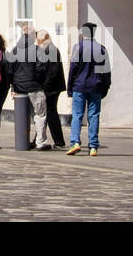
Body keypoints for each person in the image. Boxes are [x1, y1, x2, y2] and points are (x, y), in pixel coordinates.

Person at [66, 22, 111, 156]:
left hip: (79, 85)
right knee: (94, 115)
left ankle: (75, 142)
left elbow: (73, 69)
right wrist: (106, 86)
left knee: (77, 115)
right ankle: (93, 145)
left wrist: (70, 87)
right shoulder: (101, 49)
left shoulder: (78, 47)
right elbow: (106, 71)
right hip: (95, 86)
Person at [10, 24, 51, 150]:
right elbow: (42, 67)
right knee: (40, 114)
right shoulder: (37, 50)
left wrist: (12, 87)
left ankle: (22, 142)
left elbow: (10, 70)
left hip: (19, 87)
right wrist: (38, 80)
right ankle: (40, 142)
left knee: (23, 115)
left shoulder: (15, 50)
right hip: (34, 87)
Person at [37, 29, 67, 148]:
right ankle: (39, 139)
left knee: (50, 113)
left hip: (52, 88)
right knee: (46, 113)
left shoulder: (51, 50)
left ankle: (59, 141)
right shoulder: (49, 49)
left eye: (39, 40)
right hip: (52, 87)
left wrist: (44, 86)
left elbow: (53, 72)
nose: (38, 42)